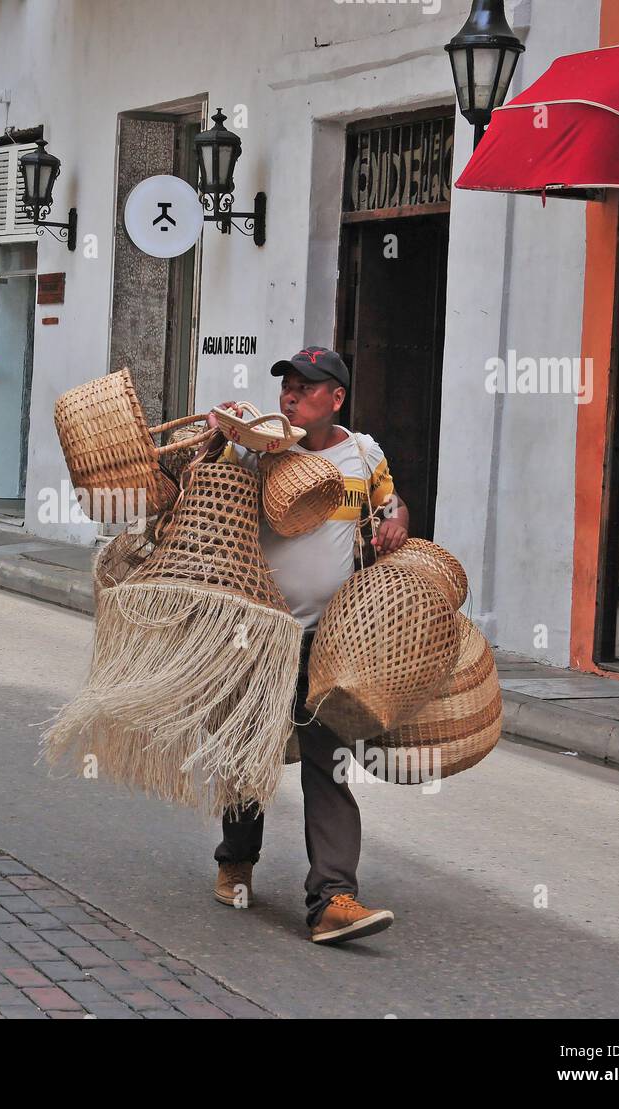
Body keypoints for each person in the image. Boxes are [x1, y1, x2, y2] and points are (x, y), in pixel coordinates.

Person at [210, 347, 410, 946]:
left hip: (331, 638)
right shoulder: (262, 448)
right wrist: (217, 437)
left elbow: (389, 502)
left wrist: (397, 517)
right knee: (249, 750)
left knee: (329, 762)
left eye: (305, 387)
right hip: (262, 632)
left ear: (336, 398)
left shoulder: (364, 454)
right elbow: (206, 489)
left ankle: (332, 898)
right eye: (287, 386)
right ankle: (236, 856)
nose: (291, 396)